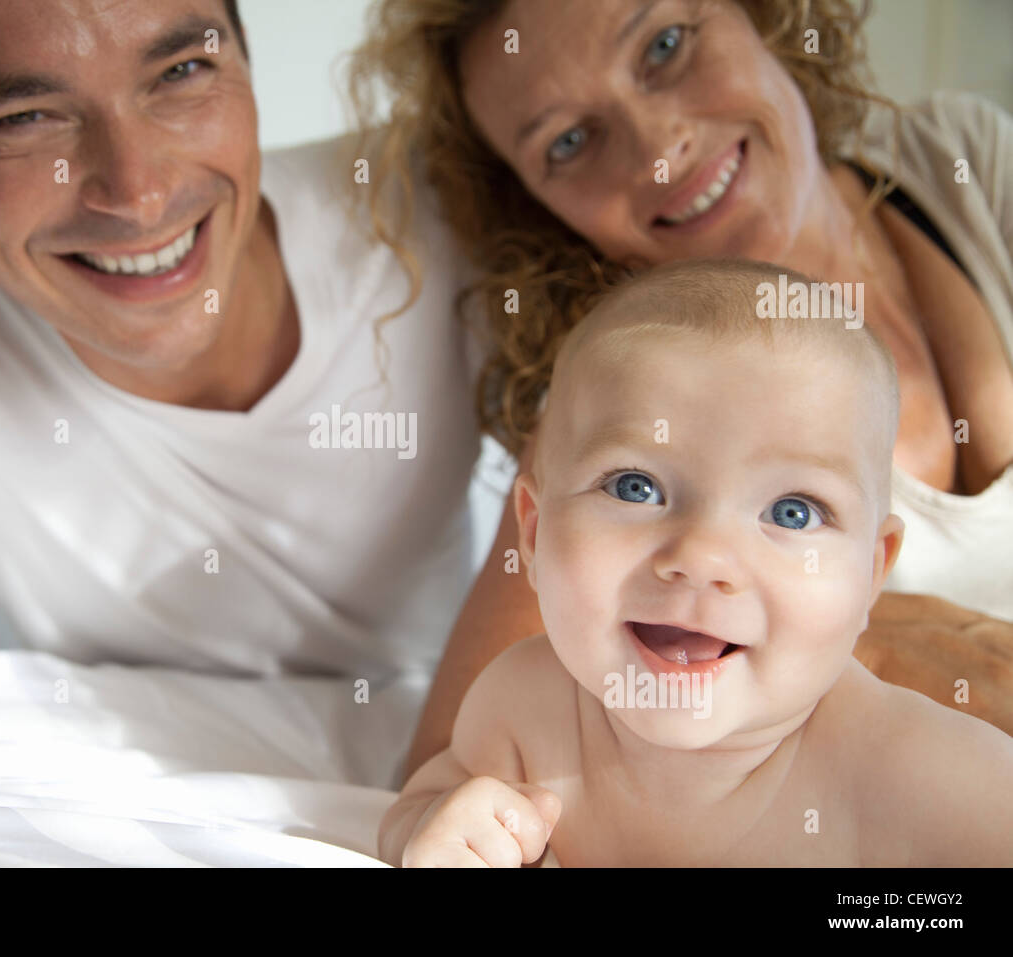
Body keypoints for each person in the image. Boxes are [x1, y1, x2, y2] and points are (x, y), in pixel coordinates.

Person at [0, 0, 486, 789]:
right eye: (25, 117)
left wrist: (444, 789)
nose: (139, 193)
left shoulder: (435, 207)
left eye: (182, 72)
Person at [347, 0, 1013, 780]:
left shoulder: (963, 163)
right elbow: (449, 773)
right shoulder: (615, 426)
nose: (658, 148)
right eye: (569, 140)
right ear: (539, 210)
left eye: (665, 45)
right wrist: (843, 646)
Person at [381, 260, 1013, 867]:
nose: (701, 559)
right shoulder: (522, 711)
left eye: (792, 512)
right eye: (635, 487)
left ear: (872, 573)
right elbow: (417, 808)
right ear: (536, 530)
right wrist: (433, 832)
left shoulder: (924, 775)